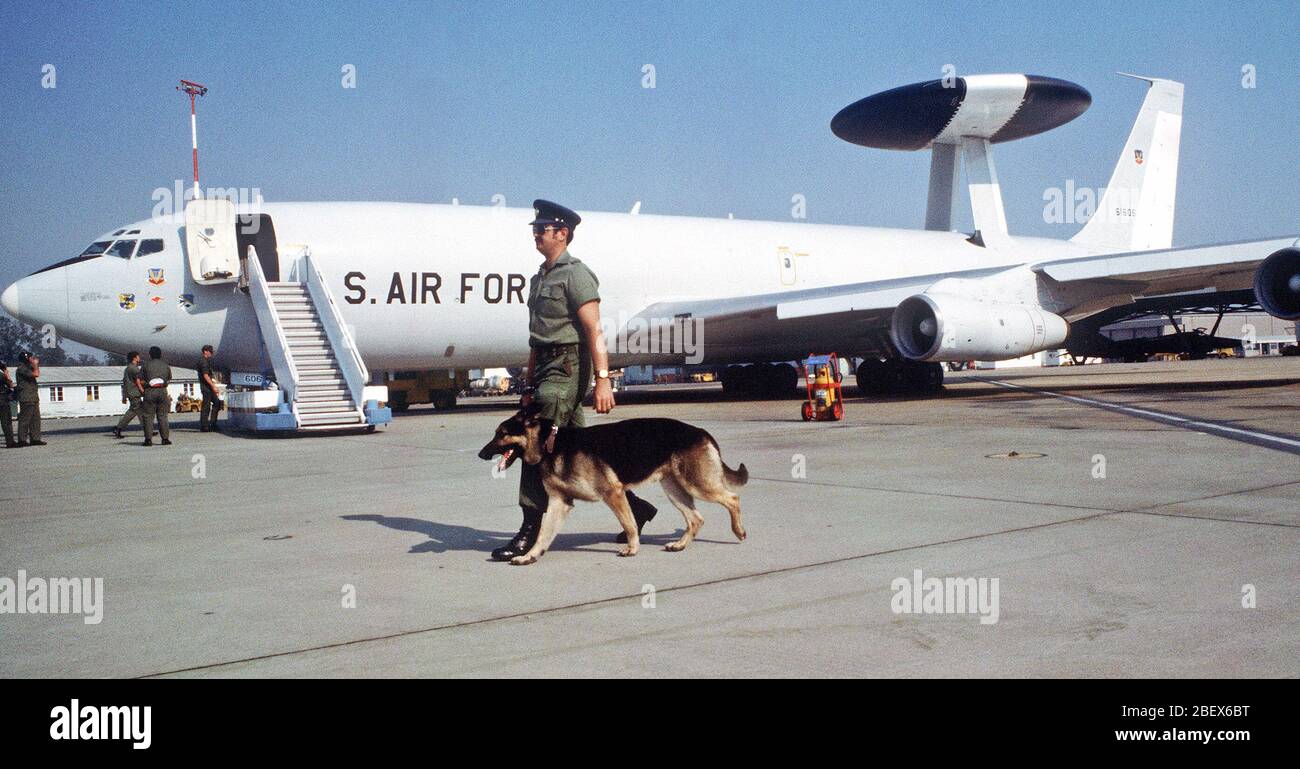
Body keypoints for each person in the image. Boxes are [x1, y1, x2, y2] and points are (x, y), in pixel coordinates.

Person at [491, 200, 657, 562]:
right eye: (535, 228)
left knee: (534, 443)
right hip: (544, 366)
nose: (536, 234)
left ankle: (530, 526)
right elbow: (538, 335)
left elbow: (594, 330)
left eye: (543, 229)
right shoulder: (541, 277)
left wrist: (602, 380)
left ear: (562, 233)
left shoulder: (576, 274)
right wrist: (529, 382)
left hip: (567, 368)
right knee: (579, 447)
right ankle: (635, 507)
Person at [139, 346, 173, 446]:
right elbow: (169, 378)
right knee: (163, 416)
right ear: (160, 355)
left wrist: (146, 385)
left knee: (148, 416)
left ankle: (148, 440)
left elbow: (140, 380)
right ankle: (165, 439)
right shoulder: (165, 365)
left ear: (150, 355)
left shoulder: (146, 365)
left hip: (150, 391)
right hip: (162, 392)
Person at [112, 351, 148, 440]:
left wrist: (124, 396)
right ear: (134, 358)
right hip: (135, 393)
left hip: (131, 393)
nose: (139, 358)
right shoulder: (134, 369)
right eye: (138, 356)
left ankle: (148, 430)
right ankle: (118, 428)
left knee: (141, 412)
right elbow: (139, 381)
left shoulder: (128, 368)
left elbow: (124, 382)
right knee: (132, 412)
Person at [15, 352, 45, 447]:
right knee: (25, 419)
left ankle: (35, 438)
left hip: (33, 397)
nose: (33, 359)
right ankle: (22, 440)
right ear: (26, 358)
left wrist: (34, 365)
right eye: (31, 357)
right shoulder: (21, 369)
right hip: (26, 397)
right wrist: (35, 365)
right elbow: (36, 374)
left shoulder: (27, 368)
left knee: (35, 419)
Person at [197, 344, 222, 432]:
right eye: (210, 351)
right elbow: (205, 375)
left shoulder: (205, 361)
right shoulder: (203, 361)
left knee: (217, 403)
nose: (211, 353)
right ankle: (205, 426)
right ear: (205, 351)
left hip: (208, 387)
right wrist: (213, 386)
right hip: (206, 387)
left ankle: (212, 423)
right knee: (206, 406)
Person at [0, 361, 15, 448]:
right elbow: (10, 384)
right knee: (6, 422)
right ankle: (10, 442)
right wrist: (6, 371)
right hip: (2, 400)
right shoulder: (1, 375)